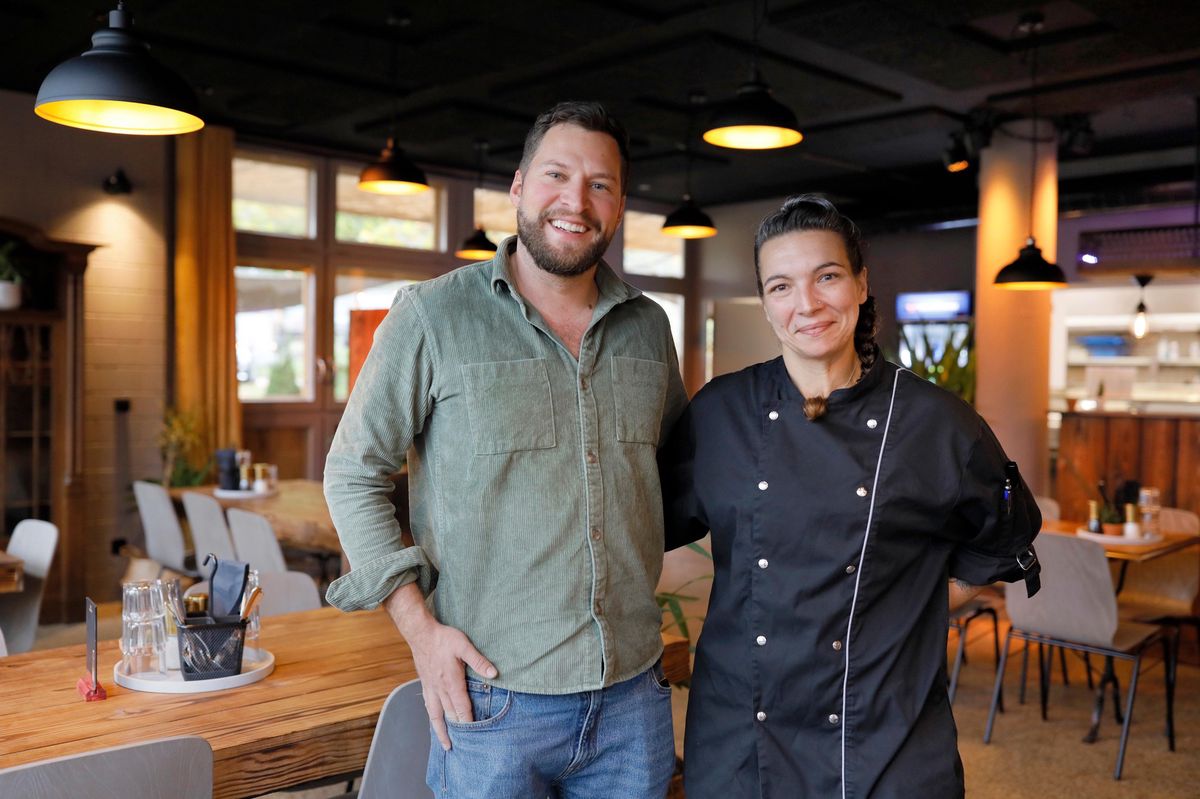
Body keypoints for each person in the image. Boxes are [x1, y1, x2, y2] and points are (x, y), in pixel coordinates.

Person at [324, 101, 687, 799]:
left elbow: (676, 470)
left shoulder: (648, 328)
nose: (575, 201)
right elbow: (352, 472)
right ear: (519, 186)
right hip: (494, 700)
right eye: (557, 174)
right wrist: (418, 629)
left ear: (617, 207)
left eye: (600, 185)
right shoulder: (433, 316)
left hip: (633, 698)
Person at [661, 194, 1042, 798]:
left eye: (827, 276)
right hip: (740, 729)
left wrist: (910, 609)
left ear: (861, 284)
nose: (806, 304)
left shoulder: (936, 422)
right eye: (781, 286)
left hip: (883, 731)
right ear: (765, 303)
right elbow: (643, 524)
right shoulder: (720, 412)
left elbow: (998, 540)